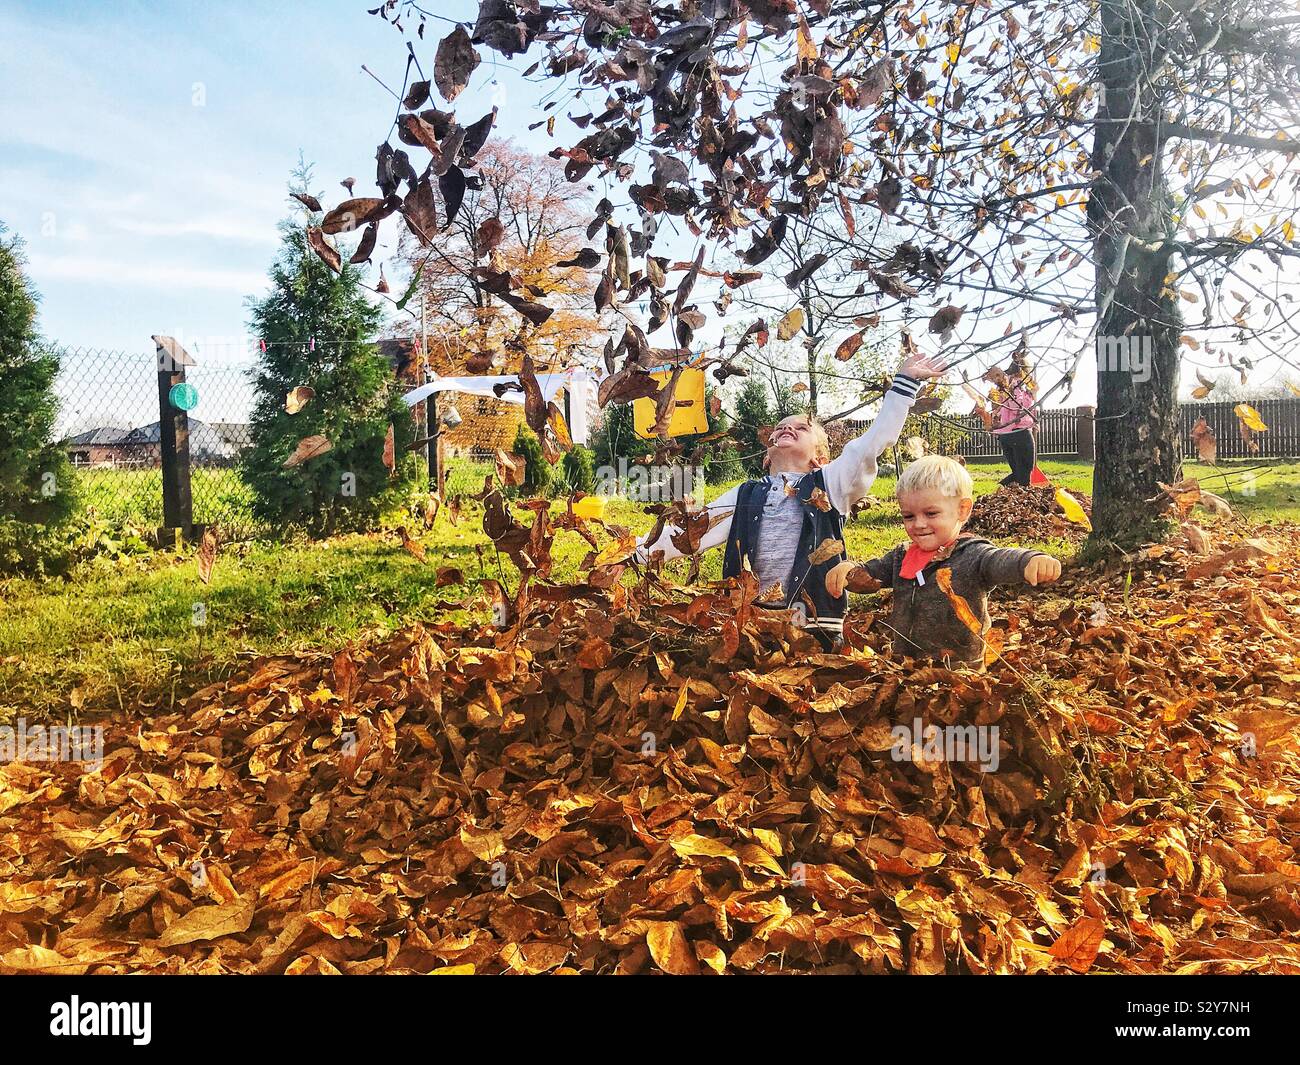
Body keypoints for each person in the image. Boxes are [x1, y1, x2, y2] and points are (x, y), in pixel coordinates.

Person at [635, 349, 948, 648]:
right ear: (767, 457)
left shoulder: (830, 483)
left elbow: (869, 444)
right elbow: (692, 531)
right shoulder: (746, 493)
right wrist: (632, 554)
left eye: (801, 427)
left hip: (814, 626)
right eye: (781, 428)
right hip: (752, 624)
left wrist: (903, 386)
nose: (788, 429)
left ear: (820, 457)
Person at [824, 455, 1062, 666]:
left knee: (954, 715)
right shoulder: (902, 555)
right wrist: (850, 571)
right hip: (906, 663)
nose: (918, 524)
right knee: (910, 714)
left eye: (931, 513)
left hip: (961, 669)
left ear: (962, 510)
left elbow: (999, 560)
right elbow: (872, 573)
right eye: (909, 516)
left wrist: (1029, 560)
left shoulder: (971, 553)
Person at [980, 358, 1038, 486]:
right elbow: (1018, 405)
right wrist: (1032, 393)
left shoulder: (1001, 389)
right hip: (1019, 433)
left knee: (1018, 473)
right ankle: (1004, 495)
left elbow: (998, 410)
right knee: (1025, 472)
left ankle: (995, 494)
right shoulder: (1016, 385)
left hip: (1005, 435)